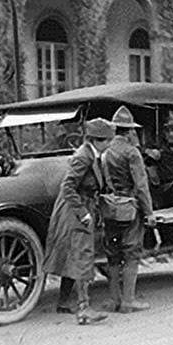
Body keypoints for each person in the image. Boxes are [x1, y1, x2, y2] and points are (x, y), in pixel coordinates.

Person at [44, 117, 114, 325]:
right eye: (107, 140)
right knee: (83, 256)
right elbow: (67, 187)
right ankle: (84, 309)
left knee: (71, 256)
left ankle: (64, 302)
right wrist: (83, 213)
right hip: (75, 211)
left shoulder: (92, 155)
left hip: (76, 209)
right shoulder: (83, 157)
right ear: (96, 140)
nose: (110, 144)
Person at [100, 105, 157, 313]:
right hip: (130, 208)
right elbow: (141, 186)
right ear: (130, 131)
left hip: (110, 207)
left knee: (113, 253)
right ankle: (128, 300)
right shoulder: (132, 153)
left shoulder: (105, 153)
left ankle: (114, 299)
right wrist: (149, 212)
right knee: (131, 252)